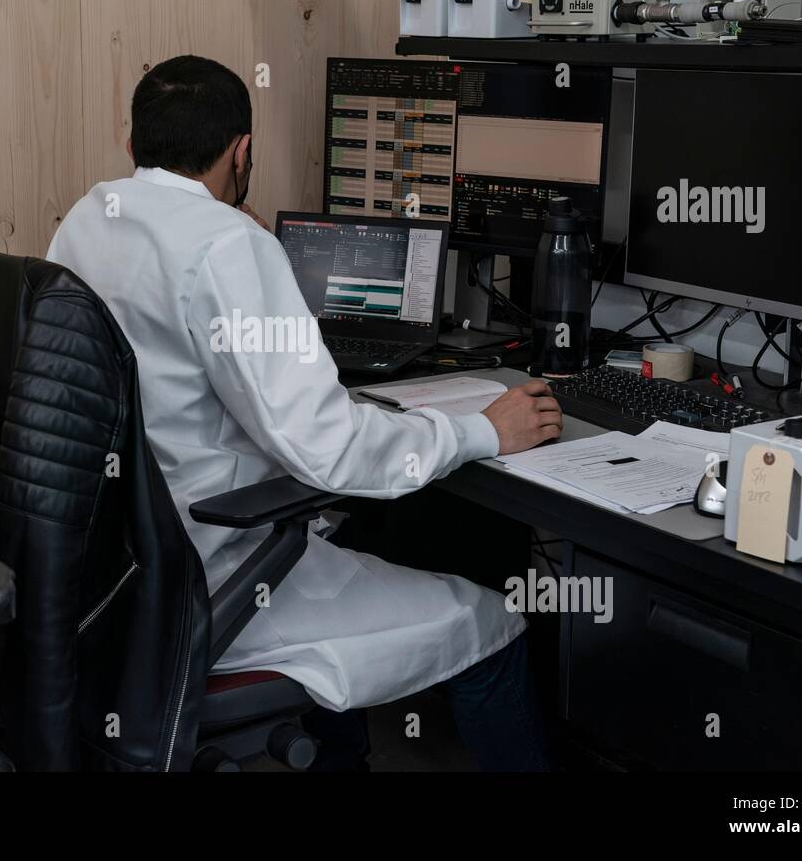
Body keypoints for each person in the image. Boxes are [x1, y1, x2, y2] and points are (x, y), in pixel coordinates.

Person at [47, 55, 562, 770]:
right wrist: (483, 430)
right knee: (489, 620)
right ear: (243, 153)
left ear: (130, 145)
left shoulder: (87, 218)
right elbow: (329, 452)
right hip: (214, 574)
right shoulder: (230, 246)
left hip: (117, 572)